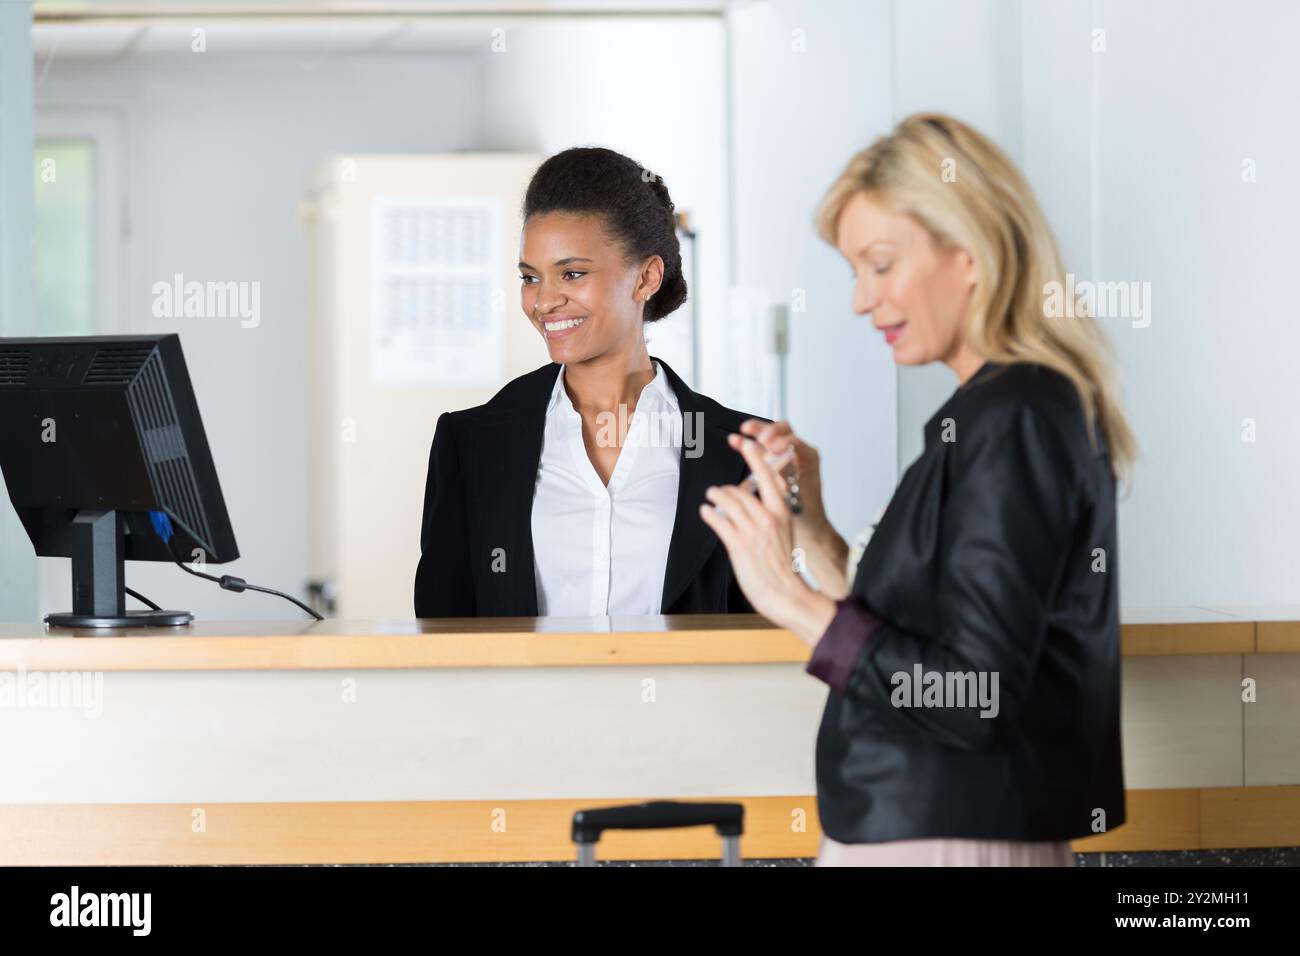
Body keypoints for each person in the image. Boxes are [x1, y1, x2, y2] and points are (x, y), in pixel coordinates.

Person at [699, 113, 1138, 866]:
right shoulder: (995, 410)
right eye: (854, 273)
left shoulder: (1017, 417)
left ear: (968, 252)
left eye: (880, 264)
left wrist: (790, 601)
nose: (862, 301)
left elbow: (972, 696)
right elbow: (925, 633)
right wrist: (813, 530)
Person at [415, 147, 759, 618]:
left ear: (646, 278)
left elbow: (765, 636)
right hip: (525, 695)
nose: (544, 301)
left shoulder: (739, 453)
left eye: (572, 274)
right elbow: (442, 630)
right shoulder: (473, 443)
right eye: (530, 277)